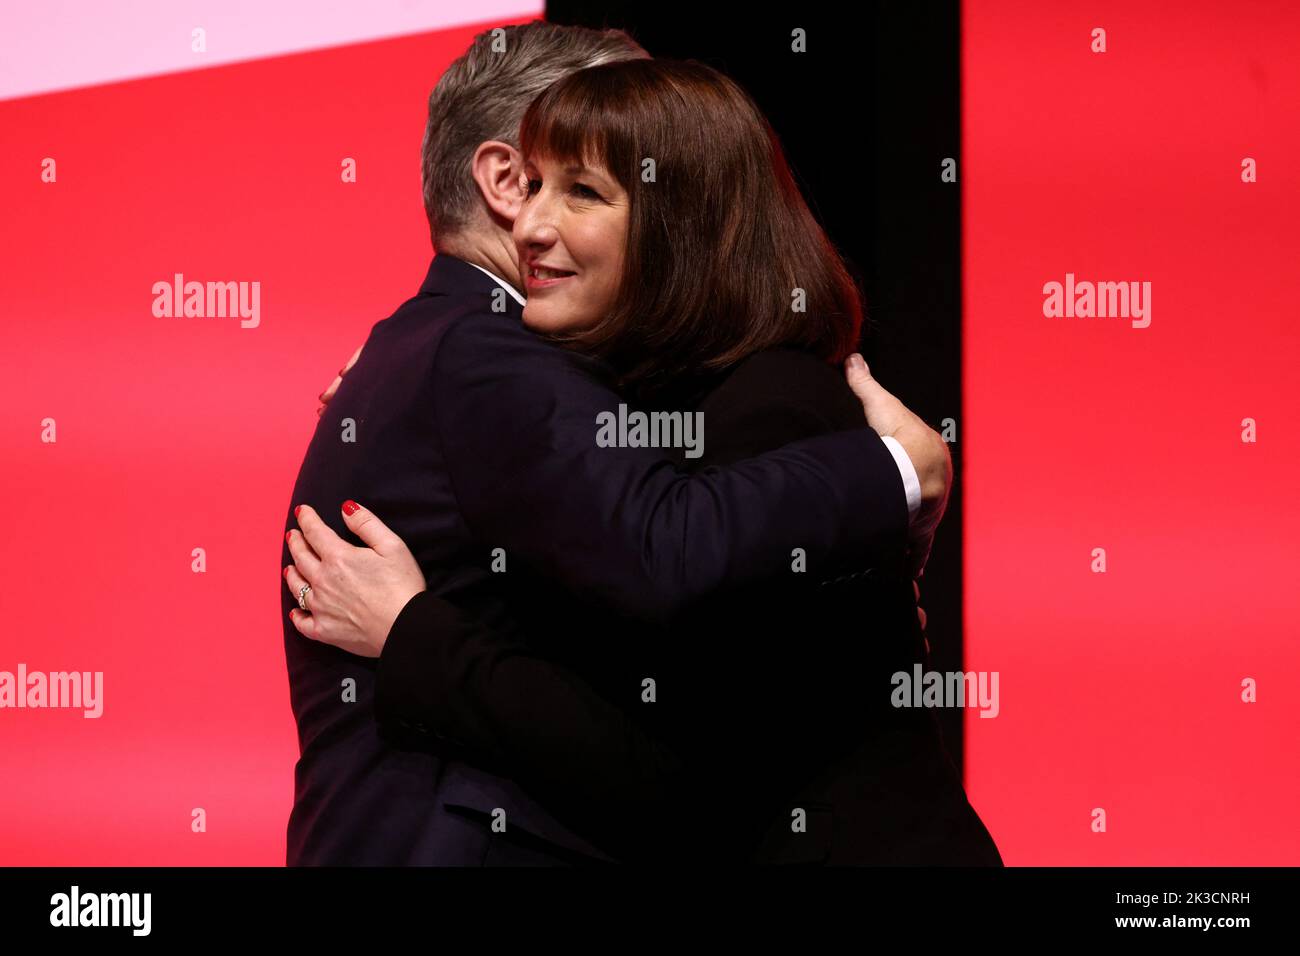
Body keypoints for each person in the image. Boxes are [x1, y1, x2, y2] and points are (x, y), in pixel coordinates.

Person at [287, 56, 994, 864]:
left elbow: (667, 768)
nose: (530, 226)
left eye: (581, 191)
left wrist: (416, 636)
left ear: (678, 222)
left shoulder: (774, 403)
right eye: (535, 184)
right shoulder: (636, 403)